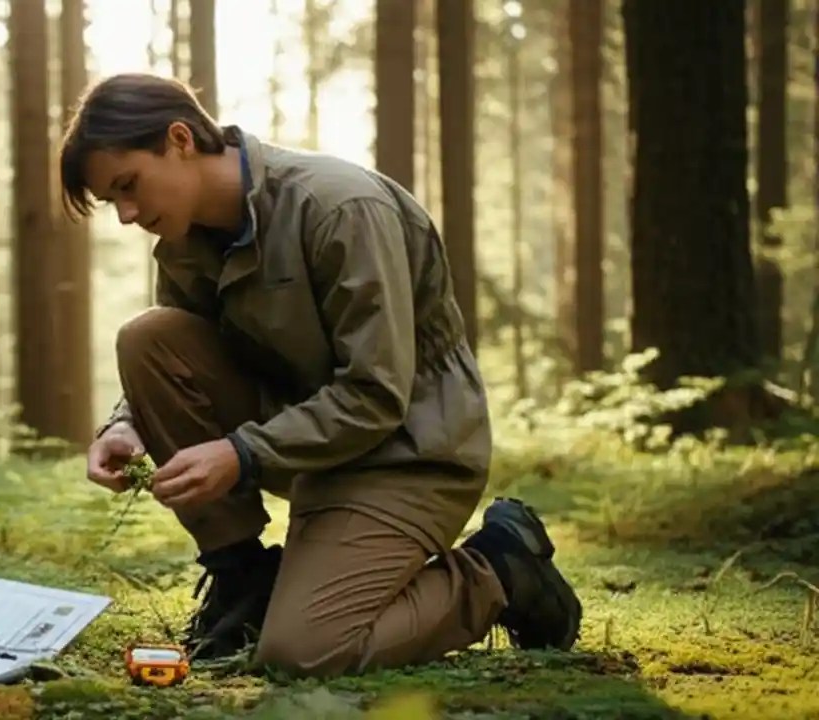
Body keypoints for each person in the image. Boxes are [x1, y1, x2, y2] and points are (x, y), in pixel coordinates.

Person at [59, 72, 581, 679]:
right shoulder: (184, 239)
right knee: (148, 336)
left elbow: (376, 393)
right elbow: (177, 360)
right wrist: (128, 426)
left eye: (128, 186)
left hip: (408, 452)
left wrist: (240, 452)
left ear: (179, 139)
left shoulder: (338, 207)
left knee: (303, 652)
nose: (126, 215)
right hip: (310, 447)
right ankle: (243, 581)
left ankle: (500, 570)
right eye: (110, 200)